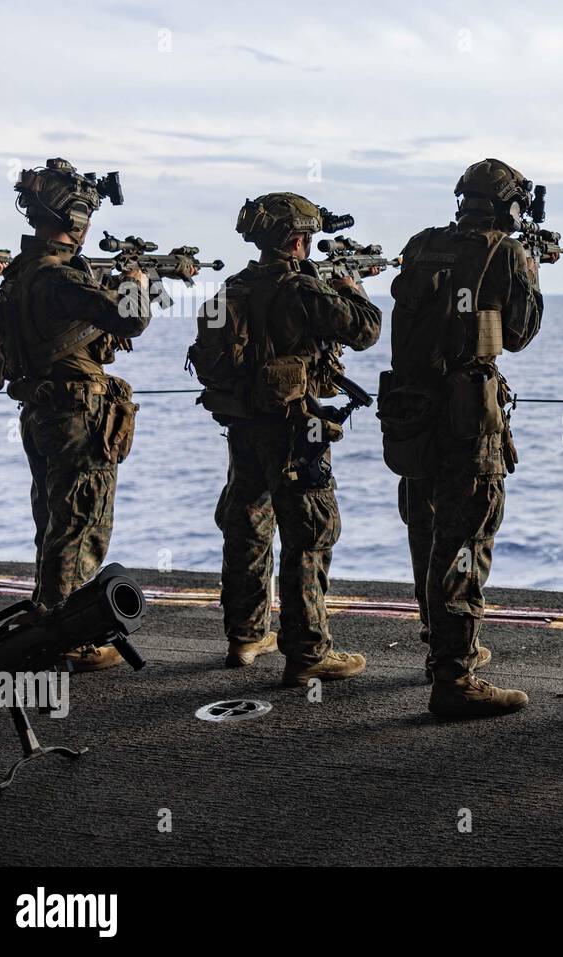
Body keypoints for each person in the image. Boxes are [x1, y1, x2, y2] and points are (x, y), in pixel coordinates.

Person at [0, 158, 156, 671]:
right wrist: (137, 281)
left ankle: (51, 621)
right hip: (78, 415)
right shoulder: (56, 277)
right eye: (85, 212)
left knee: (55, 523)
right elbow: (129, 319)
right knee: (81, 524)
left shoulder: (25, 273)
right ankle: (66, 636)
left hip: (43, 413)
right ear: (73, 217)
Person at [189, 193, 380, 684]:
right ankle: (308, 653)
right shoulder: (303, 290)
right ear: (298, 240)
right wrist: (352, 288)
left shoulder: (230, 290)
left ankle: (246, 635)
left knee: (247, 523)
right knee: (309, 535)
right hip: (296, 429)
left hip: (243, 425)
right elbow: (366, 330)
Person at [381, 159, 545, 717]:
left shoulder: (423, 243)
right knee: (467, 538)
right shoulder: (507, 252)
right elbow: (519, 334)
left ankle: (440, 642)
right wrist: (530, 270)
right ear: (509, 205)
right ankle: (455, 677)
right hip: (466, 416)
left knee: (425, 526)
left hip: (413, 407)